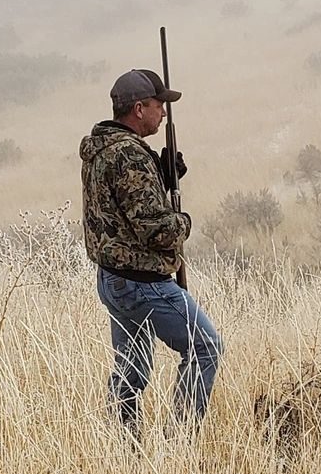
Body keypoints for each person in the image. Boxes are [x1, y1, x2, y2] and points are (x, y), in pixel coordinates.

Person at [80, 67, 221, 434]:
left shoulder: (101, 149)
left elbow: (118, 206)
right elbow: (154, 229)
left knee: (132, 369)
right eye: (159, 105)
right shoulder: (131, 156)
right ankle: (179, 443)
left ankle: (124, 447)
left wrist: (160, 173)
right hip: (145, 283)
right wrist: (183, 221)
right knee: (205, 347)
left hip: (113, 279)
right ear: (139, 109)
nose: (164, 112)